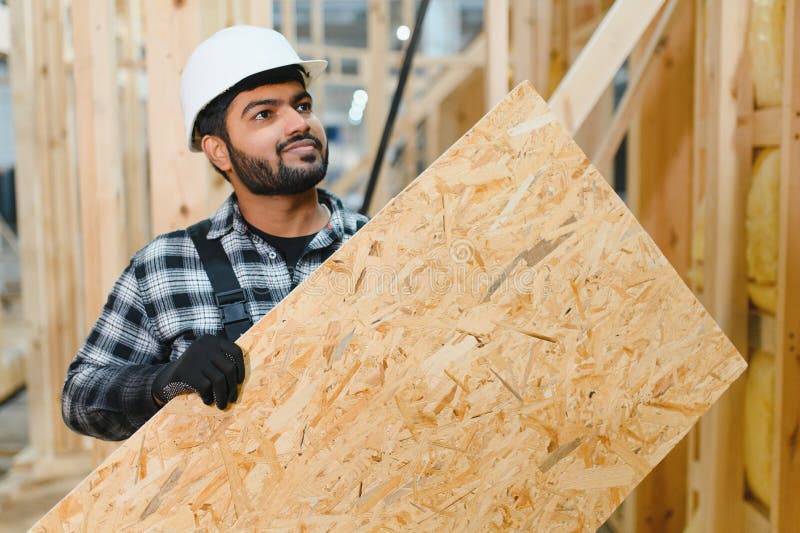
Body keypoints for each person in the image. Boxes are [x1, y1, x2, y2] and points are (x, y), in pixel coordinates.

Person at [62, 26, 368, 441]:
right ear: (218, 150)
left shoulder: (379, 244)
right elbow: (79, 398)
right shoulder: (166, 267)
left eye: (302, 105)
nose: (299, 123)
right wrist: (164, 381)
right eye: (264, 114)